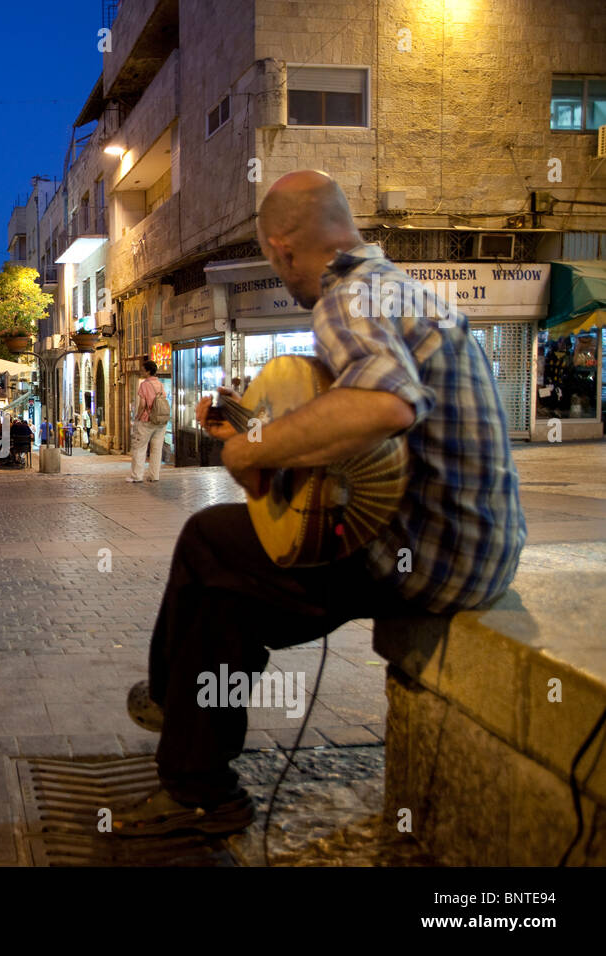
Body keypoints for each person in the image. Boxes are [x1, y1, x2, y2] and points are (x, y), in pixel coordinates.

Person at [113, 170, 526, 838]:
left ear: (280, 247)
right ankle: (198, 777)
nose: (282, 278)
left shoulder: (346, 295)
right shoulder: (398, 285)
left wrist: (254, 450)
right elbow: (363, 452)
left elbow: (384, 404)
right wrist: (253, 433)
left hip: (425, 555)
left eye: (275, 264)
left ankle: (174, 716)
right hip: (479, 546)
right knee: (228, 593)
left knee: (208, 542)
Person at [127, 360, 166, 483]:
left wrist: (137, 416)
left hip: (147, 420)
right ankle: (154, 475)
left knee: (140, 448)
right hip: (160, 421)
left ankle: (137, 476)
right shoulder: (160, 384)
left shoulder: (144, 384)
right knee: (157, 449)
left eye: (143, 370)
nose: (142, 372)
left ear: (148, 371)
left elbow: (143, 404)